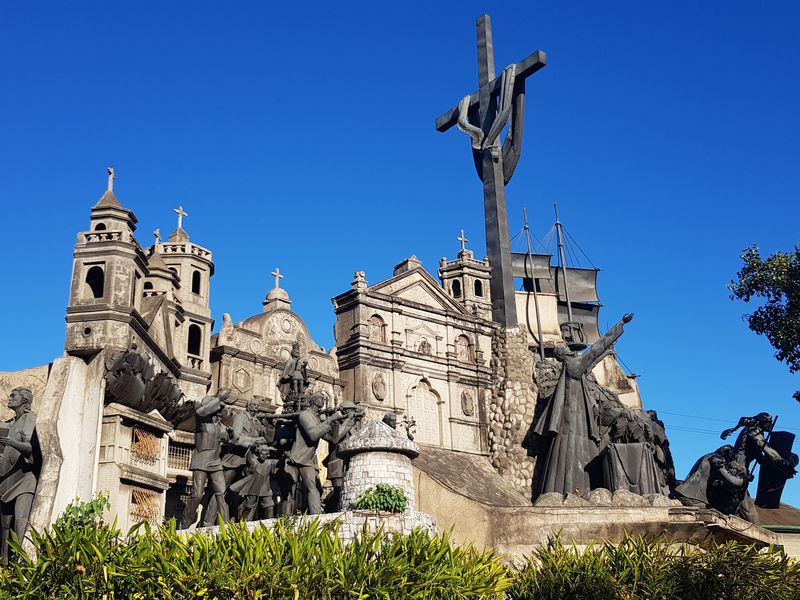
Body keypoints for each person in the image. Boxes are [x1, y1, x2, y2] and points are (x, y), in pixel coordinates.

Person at [533, 313, 633, 497]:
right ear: (564, 355)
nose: (571, 350)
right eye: (567, 350)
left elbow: (593, 359)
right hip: (573, 419)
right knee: (574, 453)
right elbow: (593, 352)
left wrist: (607, 349)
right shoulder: (573, 365)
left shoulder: (573, 367)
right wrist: (618, 327)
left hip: (576, 417)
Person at [284, 393, 346, 515]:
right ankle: (291, 517)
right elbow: (313, 435)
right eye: (320, 398)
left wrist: (343, 422)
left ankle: (316, 517)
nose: (323, 400)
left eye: (324, 398)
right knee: (294, 492)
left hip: (308, 458)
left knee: (315, 489)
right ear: (312, 400)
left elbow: (333, 439)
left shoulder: (316, 418)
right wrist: (330, 420)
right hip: (299, 457)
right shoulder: (305, 415)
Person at [183, 389, 232, 528]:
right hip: (201, 461)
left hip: (216, 462)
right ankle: (185, 523)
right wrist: (219, 398)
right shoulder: (201, 421)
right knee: (197, 495)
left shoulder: (219, 426)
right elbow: (201, 411)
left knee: (221, 494)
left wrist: (231, 434)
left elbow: (228, 439)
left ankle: (226, 527)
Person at [0, 388, 38, 564]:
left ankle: (23, 564)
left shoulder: (30, 419)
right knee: (4, 526)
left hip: (25, 479)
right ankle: (5, 563)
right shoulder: (7, 423)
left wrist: (12, 443)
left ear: (24, 400)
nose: (9, 398)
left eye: (13, 396)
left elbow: (31, 447)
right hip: (7, 480)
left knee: (20, 522)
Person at [322, 400, 363, 512]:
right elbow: (337, 437)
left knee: (345, 491)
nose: (353, 413)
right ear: (344, 411)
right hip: (337, 464)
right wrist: (349, 421)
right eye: (351, 411)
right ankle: (327, 512)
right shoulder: (334, 424)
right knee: (338, 491)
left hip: (347, 464)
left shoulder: (351, 426)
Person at [230, 444, 278, 520]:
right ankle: (242, 523)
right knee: (248, 508)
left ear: (268, 455)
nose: (264, 456)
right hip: (253, 489)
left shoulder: (270, 463)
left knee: (270, 506)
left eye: (266, 454)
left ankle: (270, 525)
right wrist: (250, 446)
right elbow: (249, 457)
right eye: (262, 454)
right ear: (258, 454)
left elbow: (279, 463)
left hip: (265, 489)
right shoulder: (254, 462)